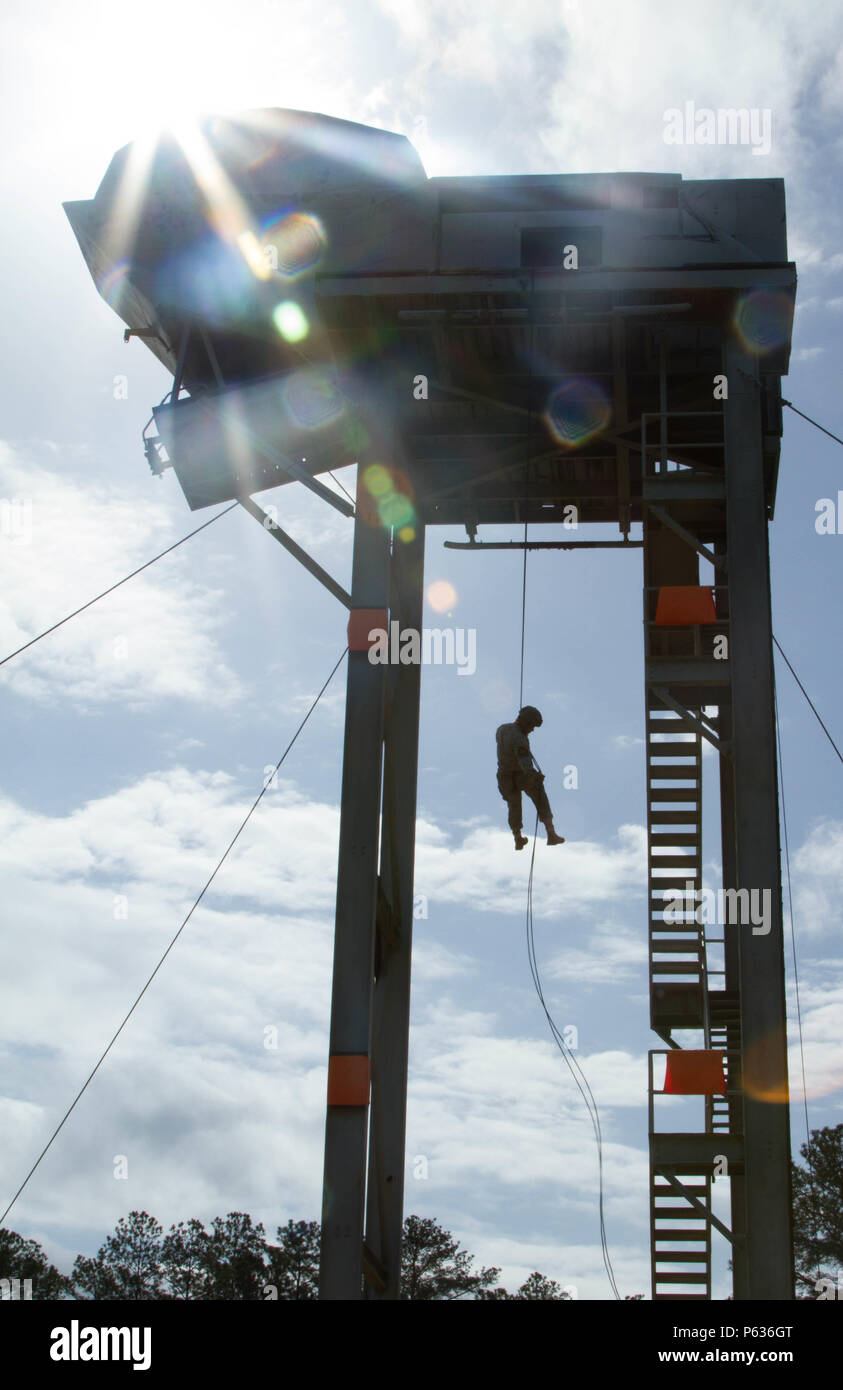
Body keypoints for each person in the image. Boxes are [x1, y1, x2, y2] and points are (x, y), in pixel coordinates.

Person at [496, 706, 565, 850]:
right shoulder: (519, 738)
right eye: (531, 725)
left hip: (504, 777)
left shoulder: (502, 729)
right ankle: (550, 833)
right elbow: (525, 761)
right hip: (520, 774)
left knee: (514, 805)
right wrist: (534, 776)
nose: (532, 730)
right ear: (524, 721)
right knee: (539, 793)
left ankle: (517, 838)